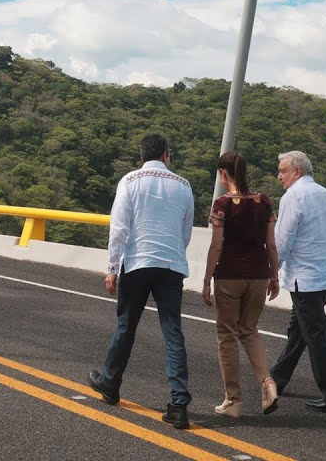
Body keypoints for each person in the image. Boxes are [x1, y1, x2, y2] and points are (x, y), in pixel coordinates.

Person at [87, 133, 195, 429]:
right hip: (171, 265)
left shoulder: (129, 181)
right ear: (166, 155)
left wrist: (112, 268)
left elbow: (119, 228)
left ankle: (110, 384)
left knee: (126, 326)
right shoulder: (184, 186)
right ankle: (179, 403)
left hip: (137, 263)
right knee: (173, 332)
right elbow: (186, 233)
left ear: (142, 155)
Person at [268, 150, 326, 416]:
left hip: (304, 277)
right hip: (324, 276)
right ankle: (277, 379)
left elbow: (282, 241)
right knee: (300, 331)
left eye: (283, 170)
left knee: (315, 336)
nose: (279, 176)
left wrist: (271, 274)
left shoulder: (293, 196)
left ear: (297, 172)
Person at [201, 151, 281, 417]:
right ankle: (267, 382)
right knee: (249, 329)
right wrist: (274, 276)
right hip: (259, 275)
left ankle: (233, 400)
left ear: (224, 173)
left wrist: (205, 280)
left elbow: (216, 246)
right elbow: (271, 244)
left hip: (229, 276)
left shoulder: (222, 204)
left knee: (227, 336)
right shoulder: (264, 201)